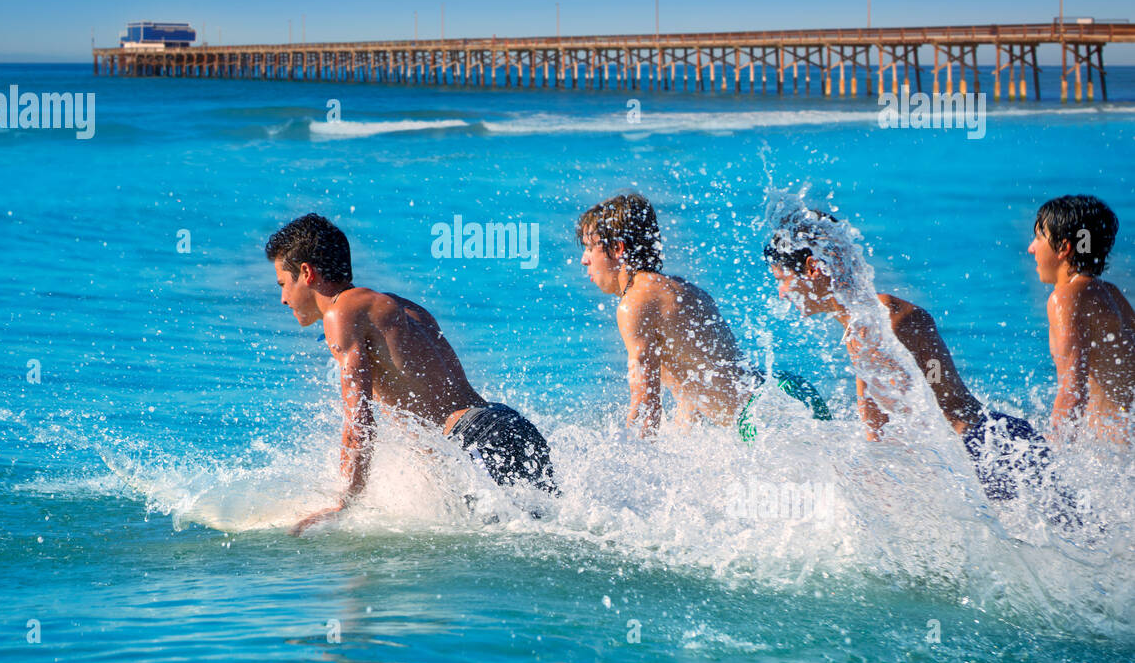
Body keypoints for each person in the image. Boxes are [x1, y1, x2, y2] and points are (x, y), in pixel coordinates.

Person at [764, 211, 1078, 524]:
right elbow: (879, 431)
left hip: (985, 450)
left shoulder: (880, 319)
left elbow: (894, 426)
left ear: (812, 268)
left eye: (782, 279)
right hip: (990, 444)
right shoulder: (863, 325)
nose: (780, 293)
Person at [266, 213, 556, 534]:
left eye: (283, 284)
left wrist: (345, 502)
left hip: (473, 441)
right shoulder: (397, 305)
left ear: (306, 273)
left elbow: (358, 420)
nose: (282, 299)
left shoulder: (341, 312)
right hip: (504, 423)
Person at [577, 192, 830, 439]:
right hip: (786, 392)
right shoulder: (677, 289)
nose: (584, 260)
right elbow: (690, 391)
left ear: (618, 248)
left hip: (765, 417)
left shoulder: (634, 303)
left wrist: (626, 463)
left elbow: (646, 407)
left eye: (589, 248)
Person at [1028, 195, 1135, 443]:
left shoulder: (1065, 299)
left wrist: (1053, 451)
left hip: (1111, 455)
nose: (1031, 248)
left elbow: (1072, 389)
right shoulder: (1112, 294)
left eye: (1038, 238)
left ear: (1064, 248)